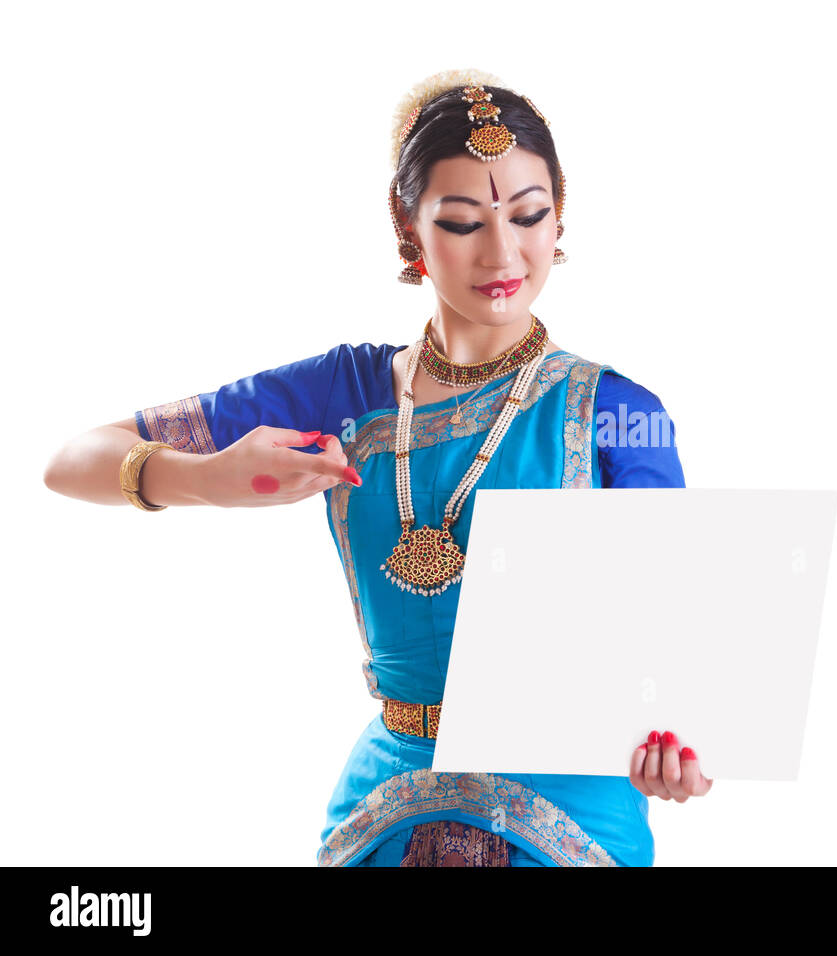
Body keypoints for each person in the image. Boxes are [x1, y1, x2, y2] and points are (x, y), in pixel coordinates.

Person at [42, 68, 712, 867]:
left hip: (566, 813)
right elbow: (70, 460)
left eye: (530, 216)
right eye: (464, 222)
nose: (504, 252)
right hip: (387, 797)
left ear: (559, 214)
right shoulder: (345, 391)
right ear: (408, 224)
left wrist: (673, 741)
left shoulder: (615, 414)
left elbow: (672, 636)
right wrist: (206, 478)